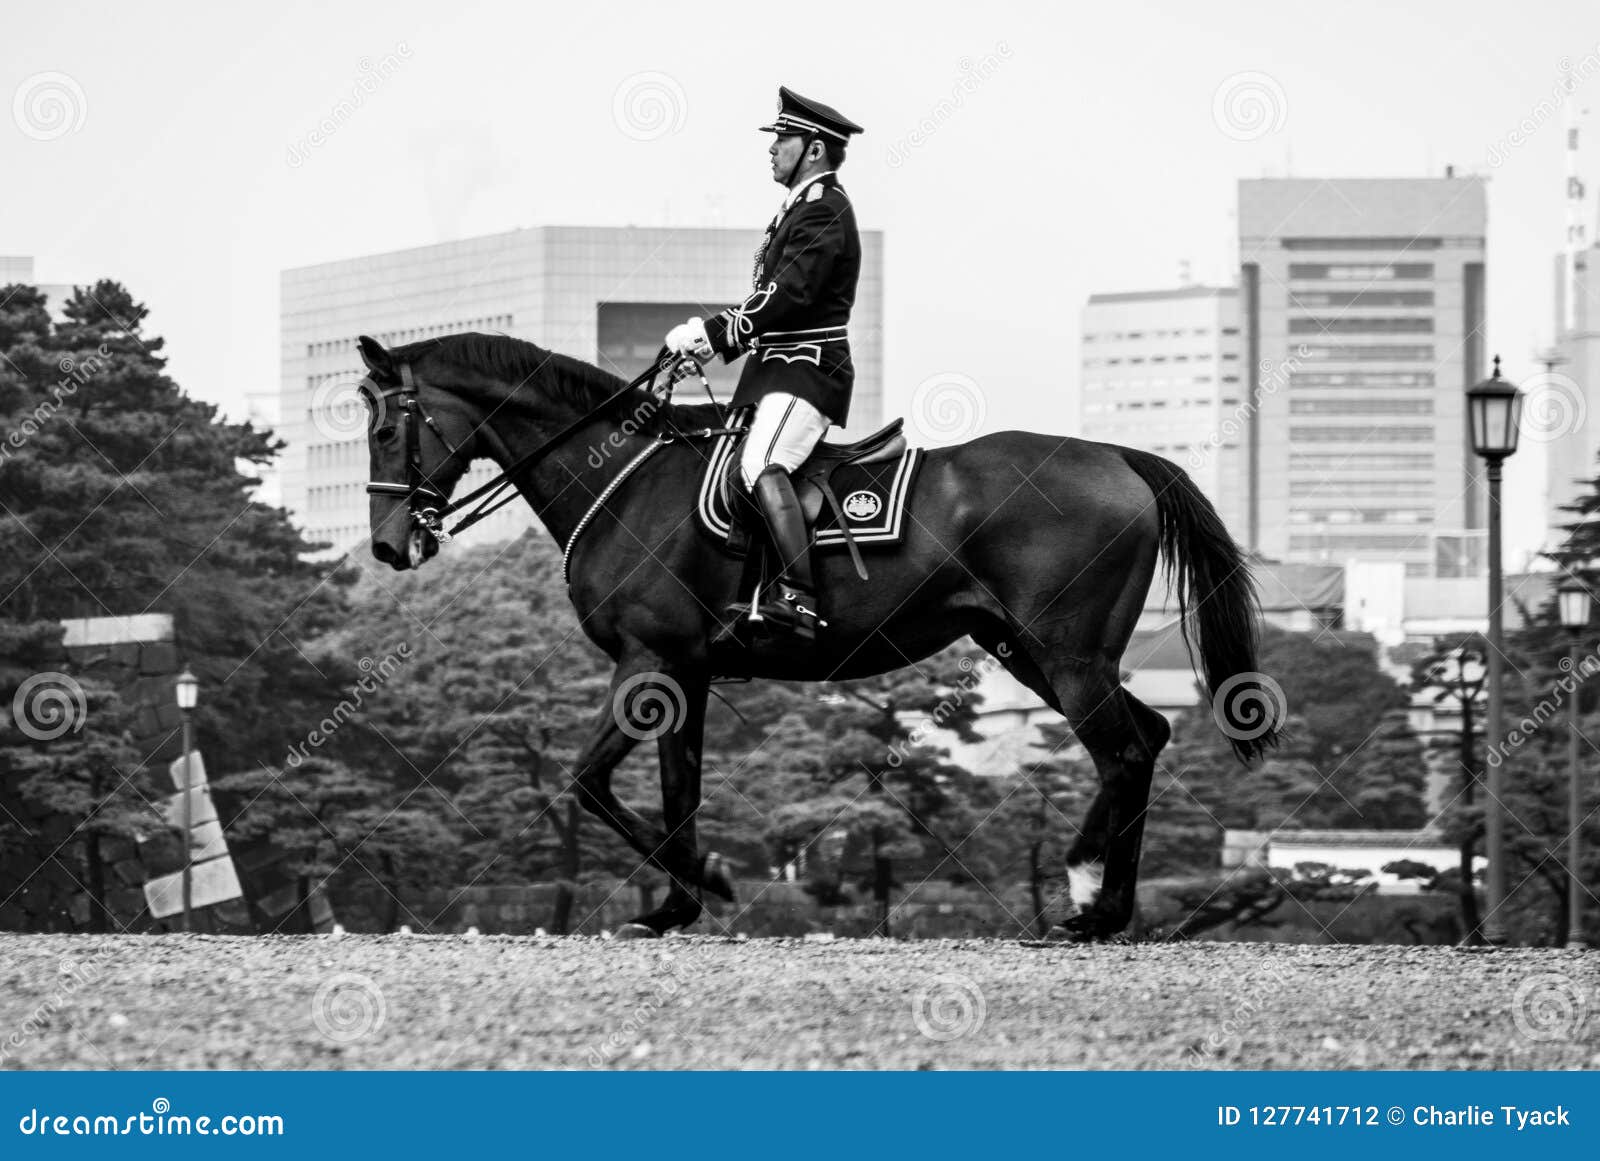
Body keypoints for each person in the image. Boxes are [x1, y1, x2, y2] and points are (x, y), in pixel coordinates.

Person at [665, 86, 864, 642]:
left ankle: (798, 598)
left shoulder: (825, 209)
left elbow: (788, 298)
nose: (773, 148)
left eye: (784, 138)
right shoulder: (799, 209)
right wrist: (707, 343)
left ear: (815, 149)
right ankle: (746, 593)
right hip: (776, 372)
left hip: (806, 370)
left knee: (761, 464)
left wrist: (711, 333)